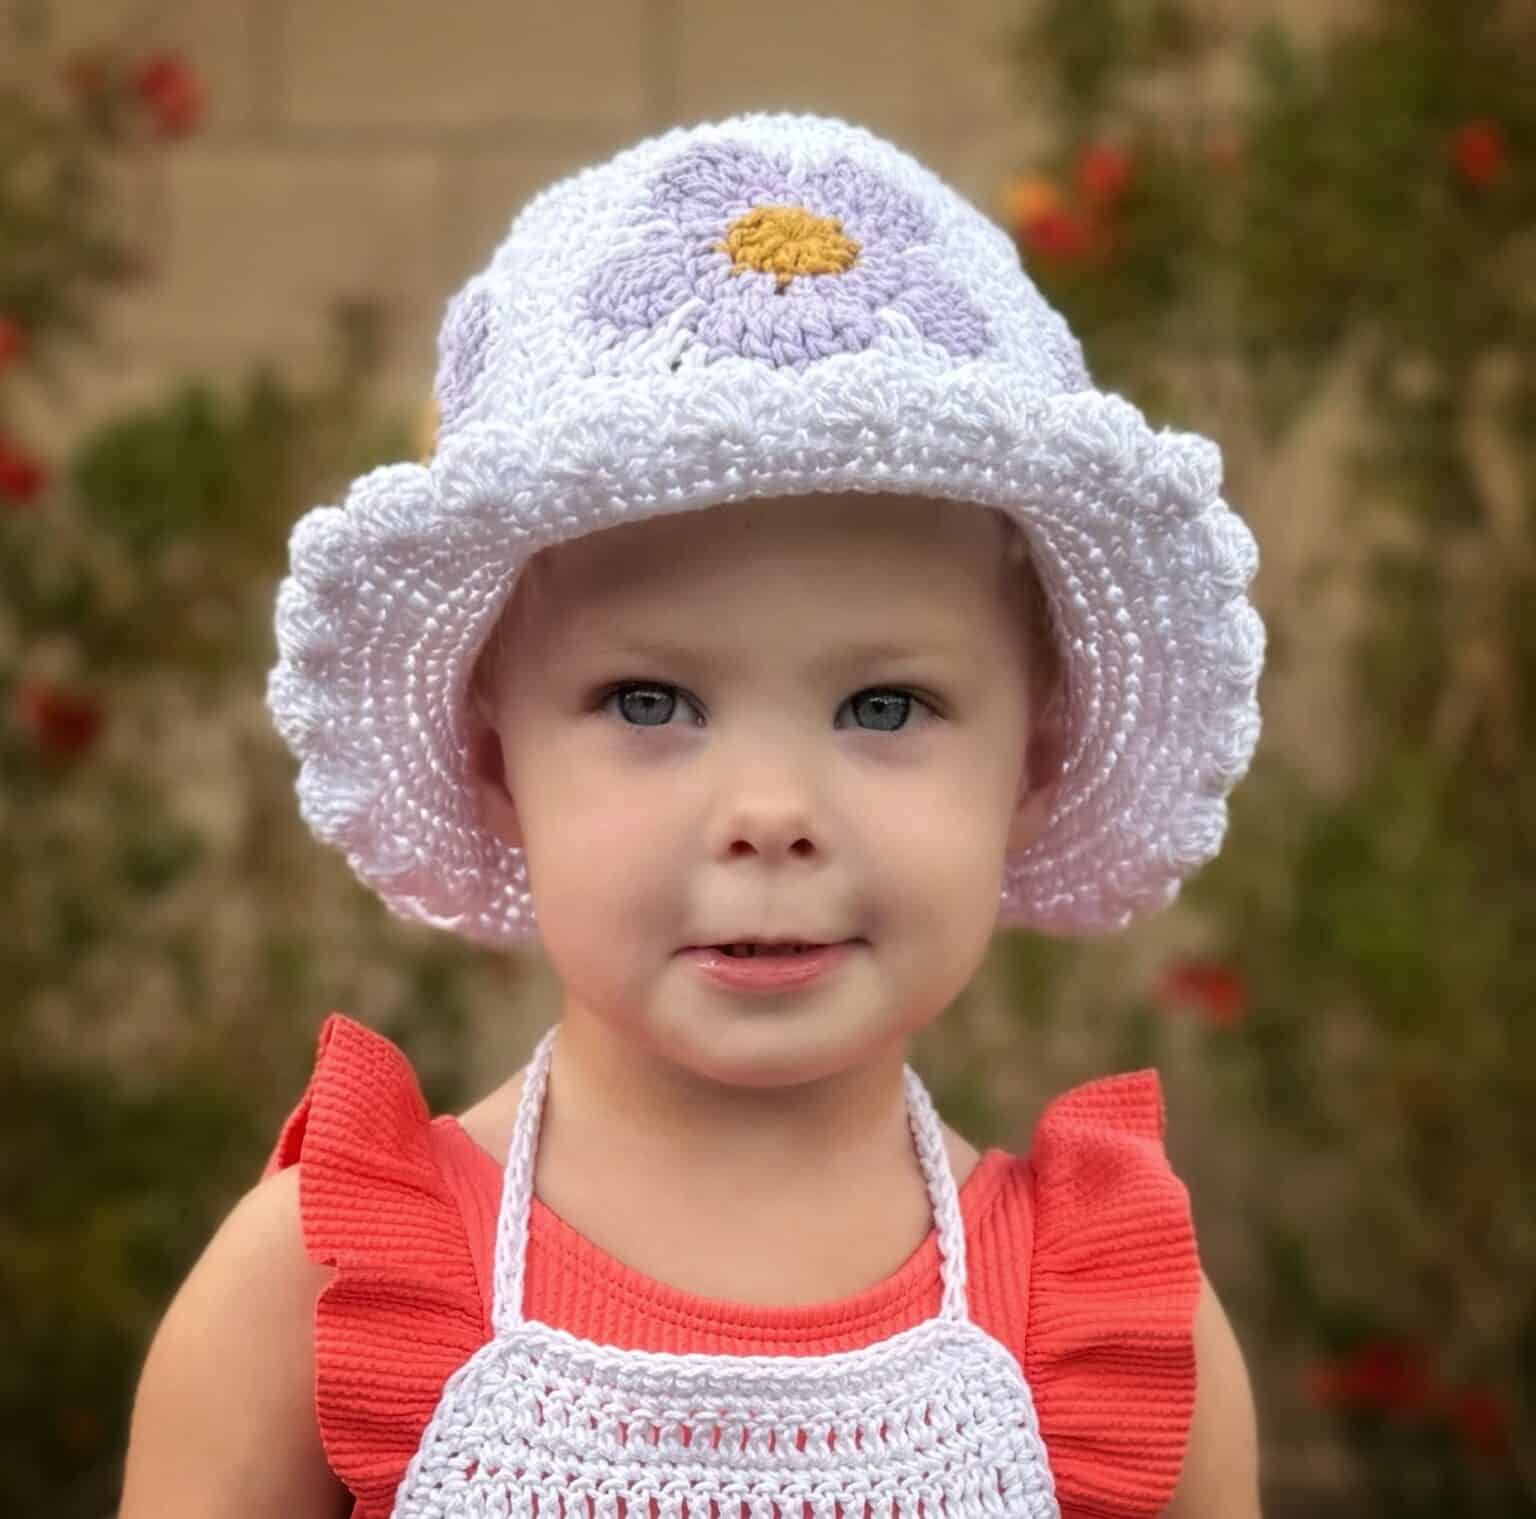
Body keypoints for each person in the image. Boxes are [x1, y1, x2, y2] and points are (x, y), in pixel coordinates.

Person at [118, 112, 1266, 1519]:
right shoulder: (319, 1294)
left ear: (1036, 760)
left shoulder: (1107, 1338)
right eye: (650, 701)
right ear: (491, 755)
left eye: (885, 707)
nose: (771, 814)